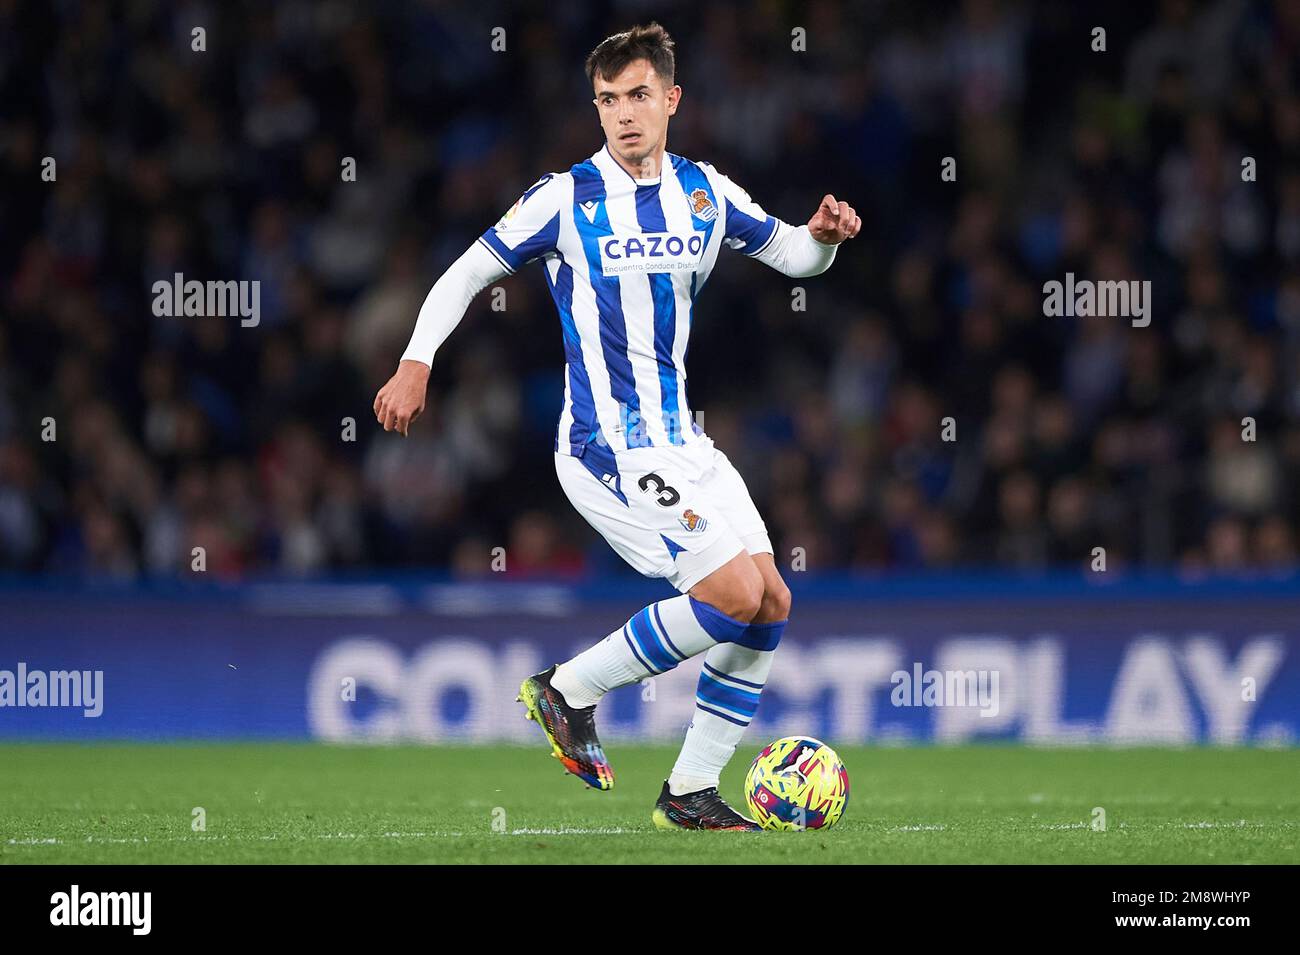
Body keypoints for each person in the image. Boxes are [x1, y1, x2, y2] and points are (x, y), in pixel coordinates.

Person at [373, 22, 859, 830]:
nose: (624, 115)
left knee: (770, 601)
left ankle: (690, 792)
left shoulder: (706, 191)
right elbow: (466, 271)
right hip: (607, 444)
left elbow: (793, 257)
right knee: (732, 592)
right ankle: (568, 688)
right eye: (607, 100)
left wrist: (826, 240)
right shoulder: (564, 198)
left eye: (638, 96)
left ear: (672, 99)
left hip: (684, 441)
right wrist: (417, 360)